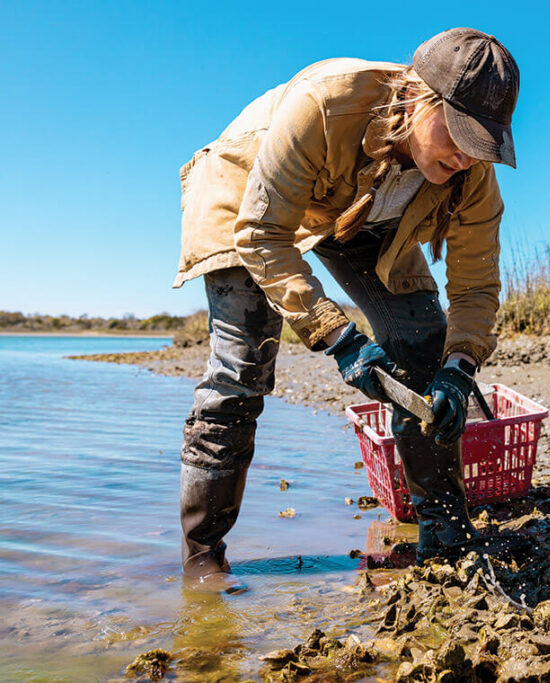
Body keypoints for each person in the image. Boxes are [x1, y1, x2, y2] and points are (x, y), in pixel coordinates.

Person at [173, 28, 522, 594]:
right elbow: (263, 234)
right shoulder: (325, 103)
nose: (464, 156)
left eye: (480, 143)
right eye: (458, 134)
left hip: (360, 212)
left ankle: (444, 530)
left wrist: (460, 368)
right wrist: (339, 337)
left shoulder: (469, 174)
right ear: (416, 96)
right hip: (250, 203)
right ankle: (203, 557)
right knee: (242, 370)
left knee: (424, 343)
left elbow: (476, 285)